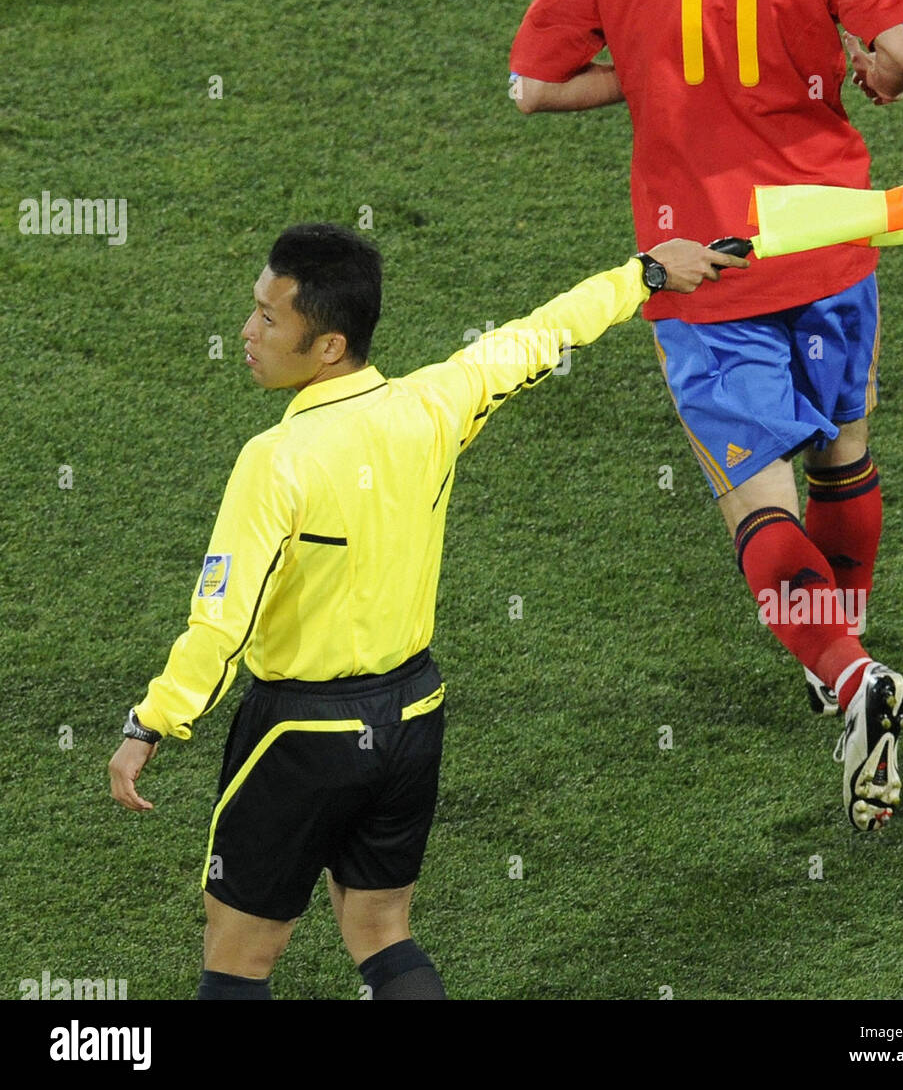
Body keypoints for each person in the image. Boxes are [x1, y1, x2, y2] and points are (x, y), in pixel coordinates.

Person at [108, 223, 746, 1000]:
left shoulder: (274, 461)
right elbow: (539, 336)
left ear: (330, 345)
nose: (246, 332)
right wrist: (645, 273)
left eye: (270, 319)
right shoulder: (434, 405)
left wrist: (153, 723)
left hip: (300, 733)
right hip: (412, 714)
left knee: (238, 955)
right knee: (380, 931)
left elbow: (223, 624)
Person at [509, 0, 903, 830]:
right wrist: (871, 72)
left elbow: (532, 85)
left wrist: (650, 79)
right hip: (829, 236)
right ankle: (842, 635)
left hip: (706, 263)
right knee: (843, 450)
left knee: (758, 498)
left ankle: (848, 676)